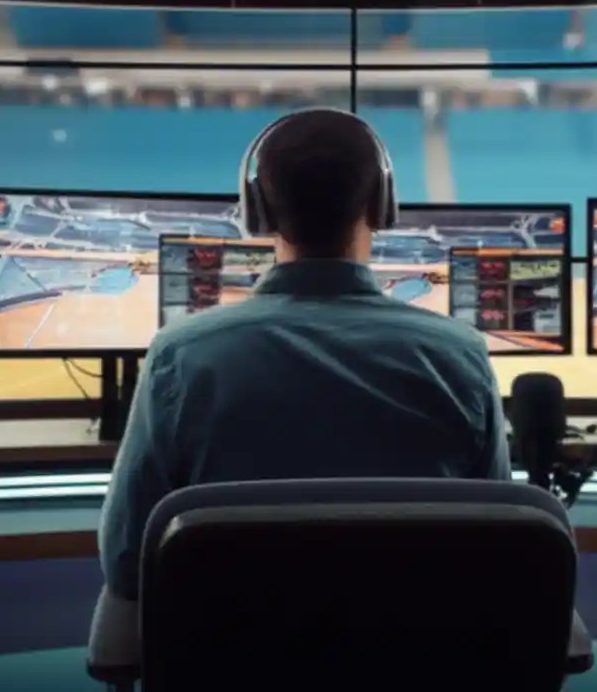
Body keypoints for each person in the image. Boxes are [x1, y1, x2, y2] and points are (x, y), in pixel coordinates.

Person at [98, 108, 511, 601]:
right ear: (381, 205)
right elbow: (495, 540)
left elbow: (126, 561)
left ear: (258, 212)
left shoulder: (180, 356)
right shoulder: (461, 355)